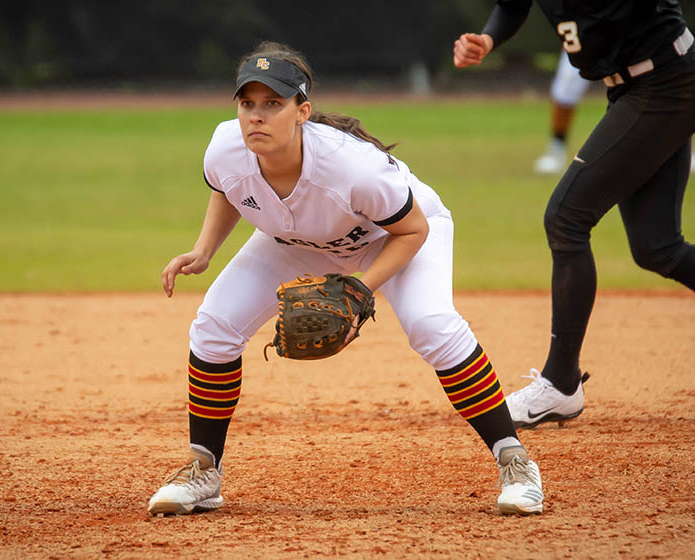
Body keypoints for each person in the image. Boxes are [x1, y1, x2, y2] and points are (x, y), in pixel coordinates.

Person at [148, 41, 544, 517]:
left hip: (392, 234)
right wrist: (204, 249)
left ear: (302, 111)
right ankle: (203, 470)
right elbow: (230, 190)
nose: (256, 116)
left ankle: (515, 462)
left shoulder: (350, 167)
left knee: (431, 325)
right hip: (296, 239)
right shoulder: (226, 147)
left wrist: (361, 289)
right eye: (247, 103)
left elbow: (412, 229)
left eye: (273, 103)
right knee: (214, 325)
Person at [453, 1, 695, 428]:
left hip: (668, 83)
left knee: (566, 217)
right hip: (636, 88)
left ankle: (560, 382)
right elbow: (512, 6)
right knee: (658, 247)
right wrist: (487, 38)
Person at [534, 50, 695, 175]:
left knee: (665, 76)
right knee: (568, 81)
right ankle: (557, 147)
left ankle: (686, 146)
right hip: (589, 22)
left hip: (633, 22)